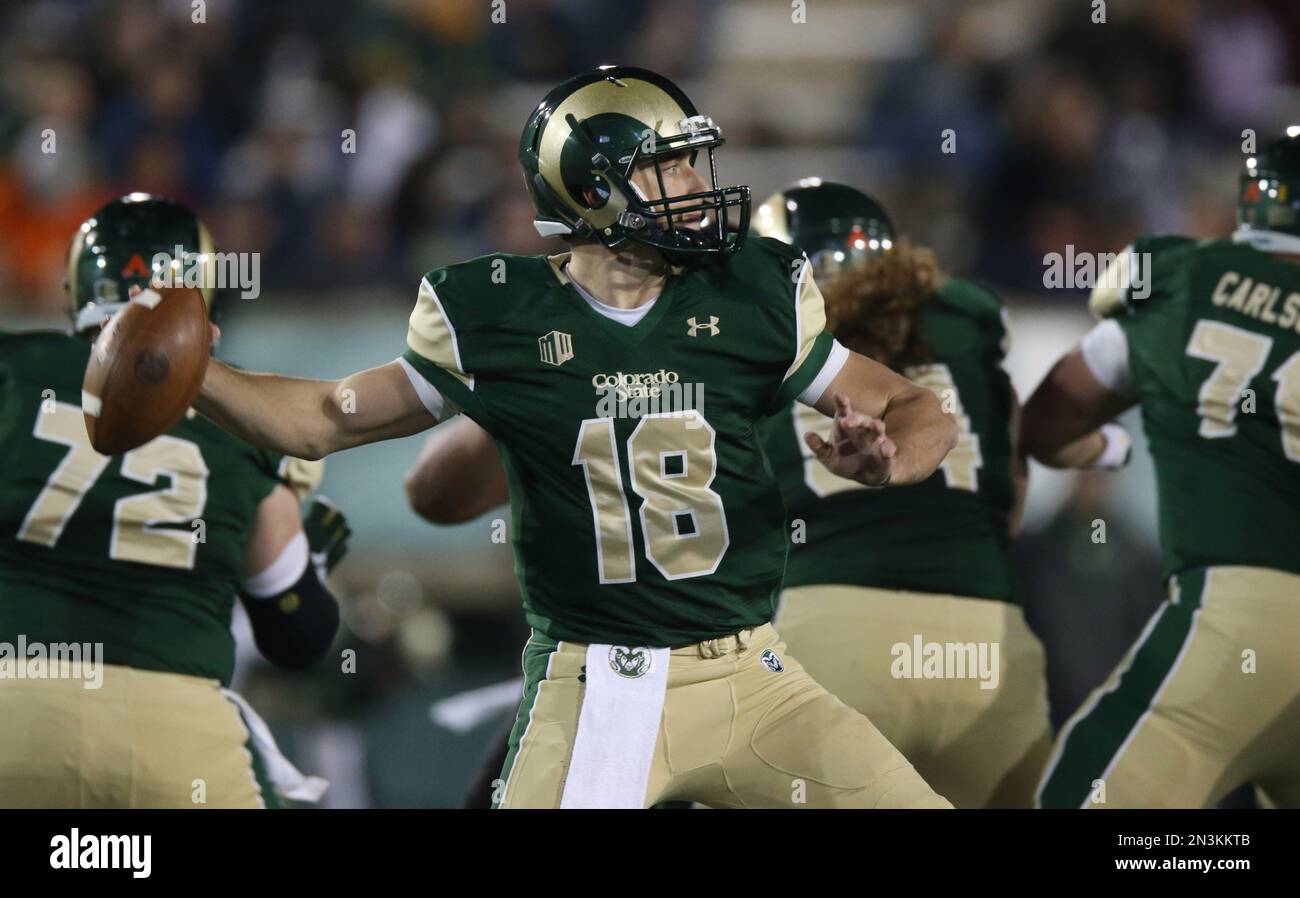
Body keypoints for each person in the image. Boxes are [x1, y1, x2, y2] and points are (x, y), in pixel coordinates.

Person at [194, 66, 957, 808]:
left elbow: (917, 410)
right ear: (594, 193)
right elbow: (324, 419)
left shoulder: (751, 290)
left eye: (693, 161)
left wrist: (888, 461)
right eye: (668, 167)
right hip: (602, 683)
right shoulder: (501, 313)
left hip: (753, 672)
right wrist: (191, 368)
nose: (696, 184)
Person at [0, 194, 347, 808]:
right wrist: (311, 557)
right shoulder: (244, 416)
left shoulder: (13, 371)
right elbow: (298, 635)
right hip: (175, 734)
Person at [752, 179, 1055, 807]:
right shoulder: (969, 318)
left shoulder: (764, 335)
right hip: (989, 645)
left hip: (833, 638)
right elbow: (1015, 489)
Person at [1024, 133, 1300, 808]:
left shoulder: (1181, 277)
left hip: (1239, 616)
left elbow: (1049, 419)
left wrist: (1104, 452)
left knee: (1082, 796)